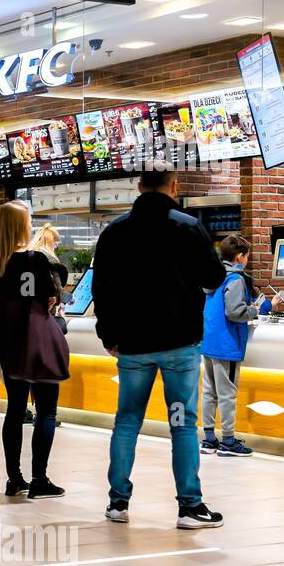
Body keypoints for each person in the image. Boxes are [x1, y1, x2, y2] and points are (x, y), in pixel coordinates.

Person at [93, 165, 227, 528]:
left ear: (138, 187)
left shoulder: (115, 231)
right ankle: (189, 507)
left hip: (133, 345)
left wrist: (109, 336)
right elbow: (214, 277)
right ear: (174, 186)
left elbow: (101, 289)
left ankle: (118, 503)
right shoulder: (187, 226)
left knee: (127, 421)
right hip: (179, 344)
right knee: (182, 424)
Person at [0, 201, 69, 499]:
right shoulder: (38, 259)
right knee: (46, 411)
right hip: (39, 342)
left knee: (15, 409)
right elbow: (54, 294)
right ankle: (39, 479)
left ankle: (14, 478)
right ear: (24, 224)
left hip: (9, 343)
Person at [200, 234, 258, 457]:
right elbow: (235, 312)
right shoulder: (235, 279)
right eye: (247, 256)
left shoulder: (213, 277)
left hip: (209, 341)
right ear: (239, 257)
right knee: (227, 394)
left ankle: (209, 439)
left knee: (209, 392)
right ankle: (228, 441)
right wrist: (255, 310)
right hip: (227, 344)